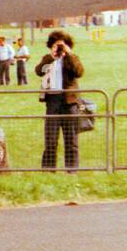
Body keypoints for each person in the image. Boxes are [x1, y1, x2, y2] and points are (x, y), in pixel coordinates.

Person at [35, 30, 85, 170]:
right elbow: (39, 71)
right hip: (52, 101)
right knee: (50, 140)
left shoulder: (71, 59)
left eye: (62, 45)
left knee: (71, 140)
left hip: (69, 103)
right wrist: (51, 57)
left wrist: (69, 54)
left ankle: (72, 170)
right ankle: (48, 170)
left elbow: (79, 72)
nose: (59, 48)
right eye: (56, 45)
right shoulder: (48, 59)